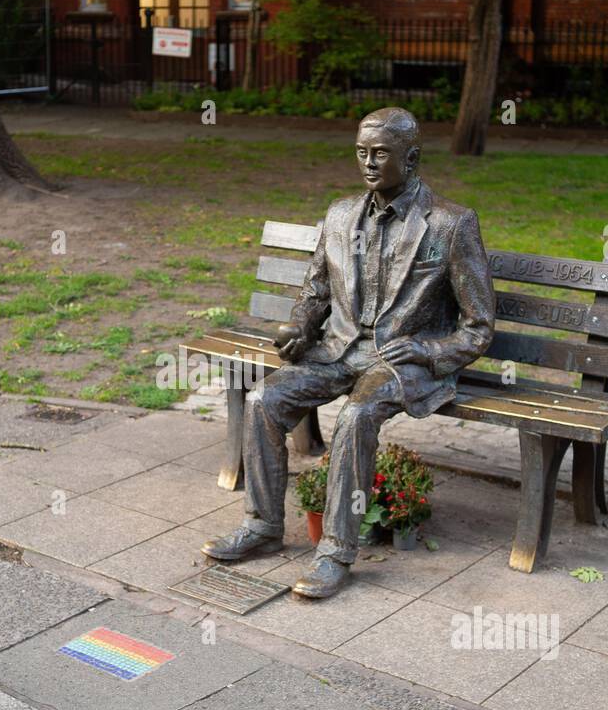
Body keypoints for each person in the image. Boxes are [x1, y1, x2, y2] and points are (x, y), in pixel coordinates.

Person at [202, 107, 496, 599]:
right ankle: (262, 526)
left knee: (357, 415)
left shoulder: (450, 224)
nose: (369, 163)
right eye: (362, 153)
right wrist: (299, 328)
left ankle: (336, 552)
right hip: (337, 350)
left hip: (400, 363)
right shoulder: (340, 214)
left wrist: (426, 349)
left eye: (381, 153)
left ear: (413, 157)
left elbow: (478, 327)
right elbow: (315, 290)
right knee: (262, 401)